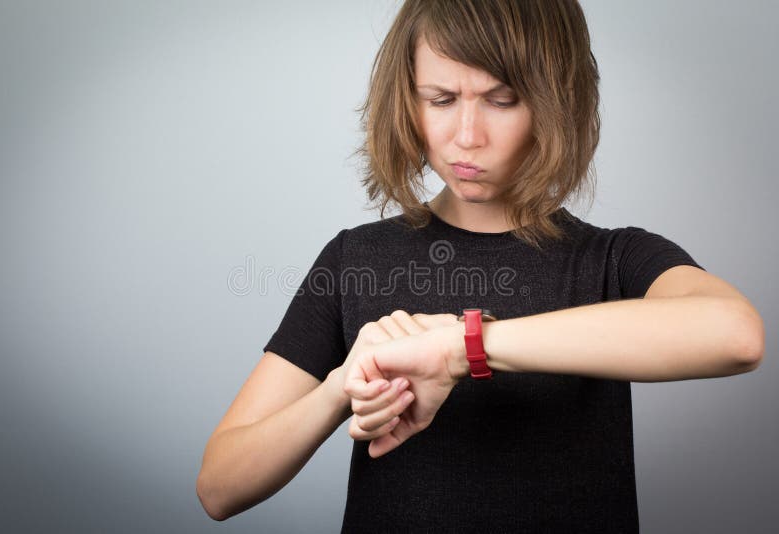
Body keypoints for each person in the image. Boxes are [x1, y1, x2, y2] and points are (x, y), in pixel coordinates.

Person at [196, 1, 765, 532]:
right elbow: (219, 487)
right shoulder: (356, 259)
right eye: (440, 99)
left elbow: (735, 334)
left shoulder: (614, 259)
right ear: (407, 98)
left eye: (502, 99)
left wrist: (460, 349)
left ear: (556, 100)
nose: (465, 137)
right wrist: (340, 387)